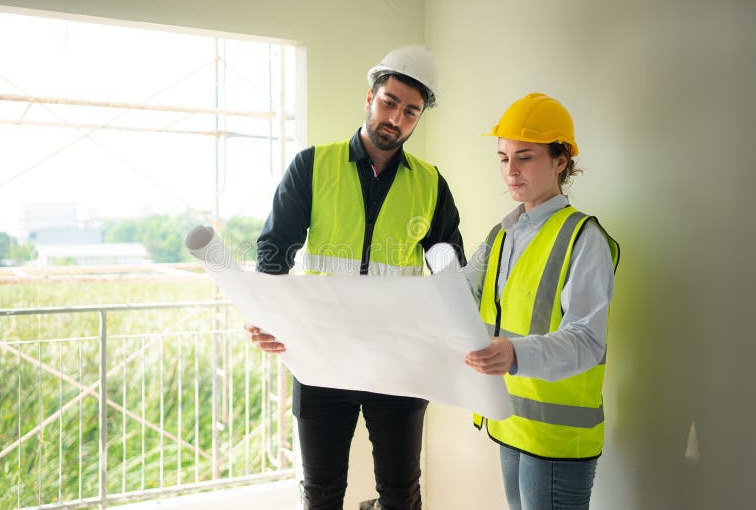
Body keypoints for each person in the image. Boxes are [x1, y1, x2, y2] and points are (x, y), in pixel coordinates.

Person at [244, 45, 465, 510]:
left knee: (401, 492)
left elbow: (448, 262)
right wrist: (265, 316)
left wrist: (455, 328)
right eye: (390, 102)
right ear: (370, 97)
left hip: (400, 360)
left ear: (418, 118)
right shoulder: (313, 166)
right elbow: (274, 248)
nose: (396, 118)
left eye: (411, 111)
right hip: (322, 357)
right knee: (322, 491)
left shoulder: (430, 184)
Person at [463, 93, 620, 510]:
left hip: (555, 435)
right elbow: (457, 296)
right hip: (510, 419)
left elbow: (587, 340)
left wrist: (513, 352)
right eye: (502, 157)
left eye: (525, 157)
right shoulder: (502, 235)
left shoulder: (584, 239)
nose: (509, 172)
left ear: (561, 161)